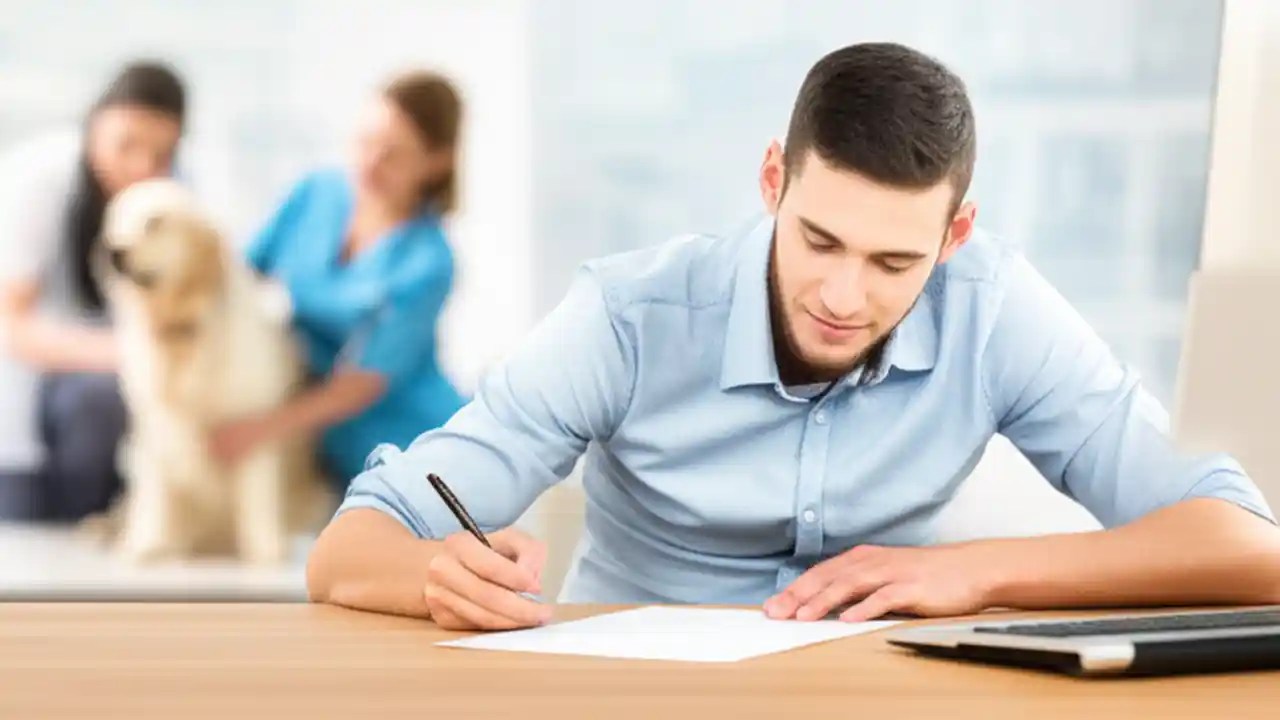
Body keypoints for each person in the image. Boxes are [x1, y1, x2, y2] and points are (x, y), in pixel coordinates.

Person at [306, 43, 1280, 629]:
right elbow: (347, 550)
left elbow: (1243, 545)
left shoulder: (993, 308)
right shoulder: (628, 317)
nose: (843, 296)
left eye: (895, 262)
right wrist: (435, 575)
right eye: (818, 239)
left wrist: (967, 570)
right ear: (773, 180)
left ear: (955, 234)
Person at [217, 71, 466, 491]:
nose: (369, 164)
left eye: (393, 154)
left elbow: (360, 385)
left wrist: (257, 430)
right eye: (364, 143)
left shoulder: (428, 261)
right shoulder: (316, 192)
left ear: (436, 161)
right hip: (310, 417)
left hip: (402, 432)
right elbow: (239, 278)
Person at [0, 61, 188, 521]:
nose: (141, 166)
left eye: (161, 155)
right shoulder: (37, 178)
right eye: (127, 145)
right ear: (93, 125)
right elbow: (13, 324)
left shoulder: (175, 196)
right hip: (31, 412)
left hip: (123, 421)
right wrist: (132, 352)